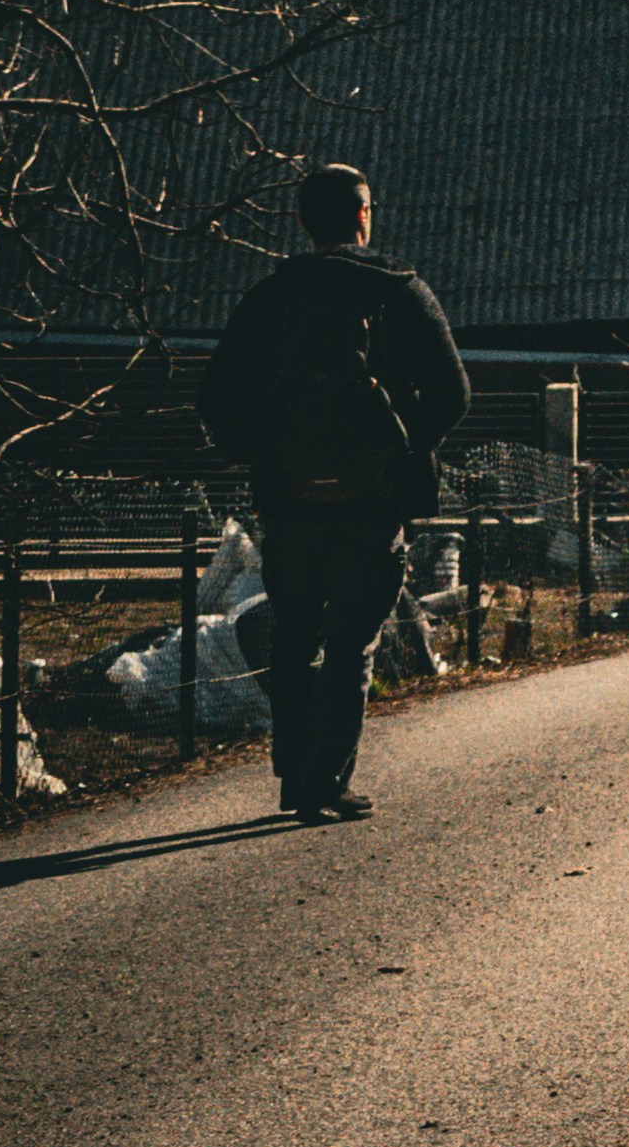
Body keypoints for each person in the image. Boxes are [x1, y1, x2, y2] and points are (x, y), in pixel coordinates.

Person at [194, 159, 471, 822]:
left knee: (294, 636)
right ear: (362, 217)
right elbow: (455, 395)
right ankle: (329, 778)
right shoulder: (399, 292)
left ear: (303, 220)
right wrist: (404, 452)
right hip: (373, 509)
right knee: (351, 644)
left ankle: (293, 777)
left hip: (289, 508)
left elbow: (215, 398)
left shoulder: (271, 297)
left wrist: (264, 455)